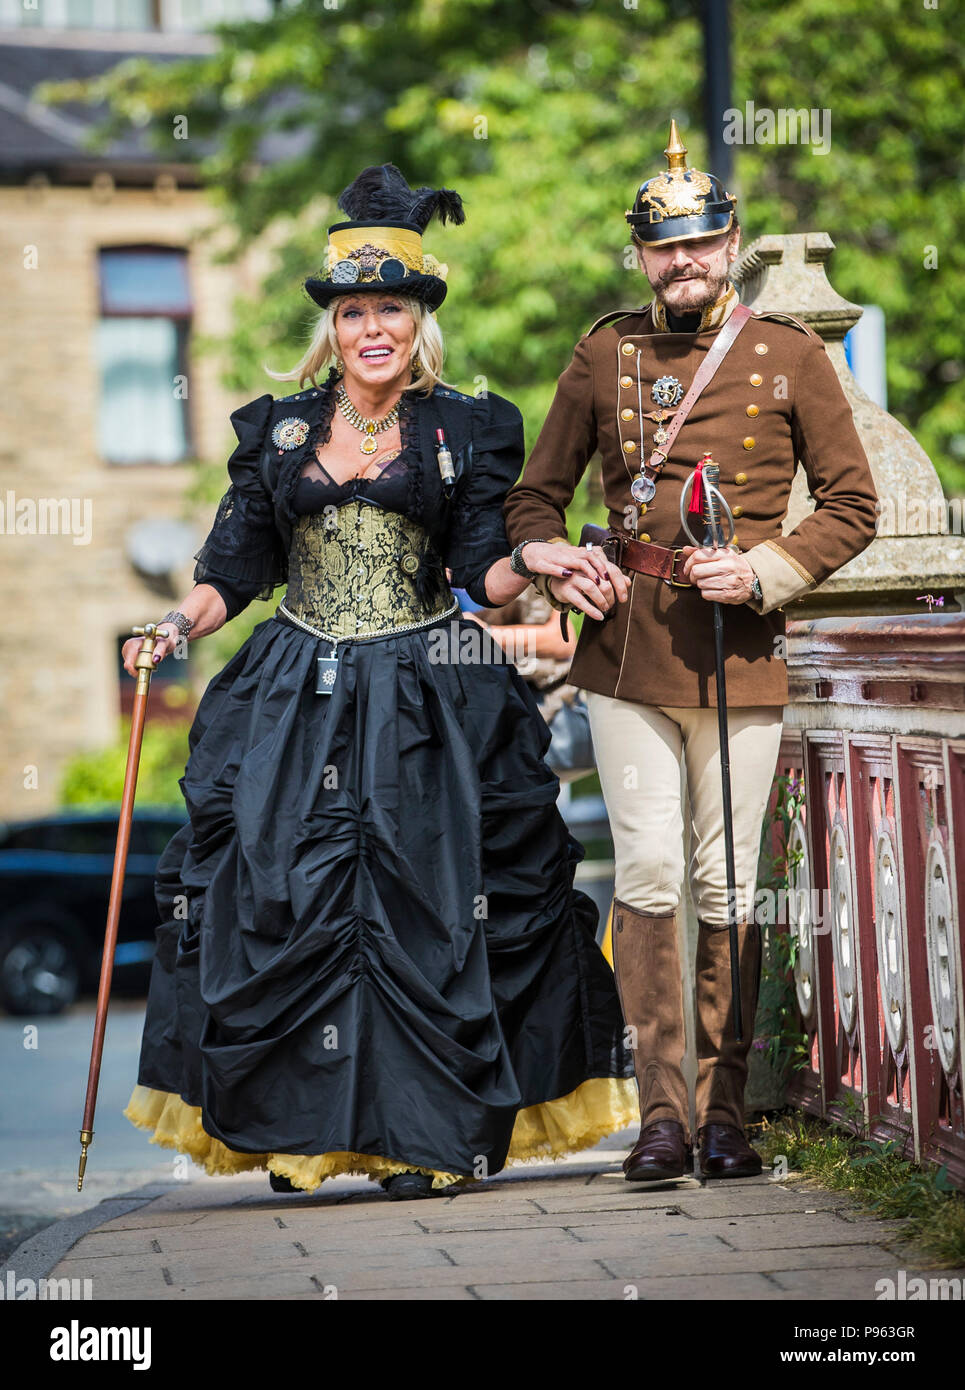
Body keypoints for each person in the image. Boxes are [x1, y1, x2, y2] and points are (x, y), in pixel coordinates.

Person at [122, 164, 638, 1200]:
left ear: (416, 321)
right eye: (354, 310)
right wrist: (175, 624)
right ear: (333, 323)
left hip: (423, 692)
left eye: (389, 310)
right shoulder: (275, 428)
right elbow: (234, 569)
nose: (372, 328)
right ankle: (304, 1136)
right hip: (295, 690)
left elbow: (478, 566)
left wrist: (531, 565)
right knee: (282, 897)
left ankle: (426, 1136)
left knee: (432, 909)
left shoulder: (466, 426)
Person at [503, 122, 878, 1182]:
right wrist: (546, 554)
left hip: (737, 650)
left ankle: (727, 1117)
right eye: (662, 248)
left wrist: (764, 571)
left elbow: (852, 503)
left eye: (700, 244)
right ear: (639, 256)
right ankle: (659, 1118)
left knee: (725, 880)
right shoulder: (602, 352)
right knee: (651, 871)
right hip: (625, 652)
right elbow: (532, 496)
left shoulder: (789, 356)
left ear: (731, 243)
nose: (681, 263)